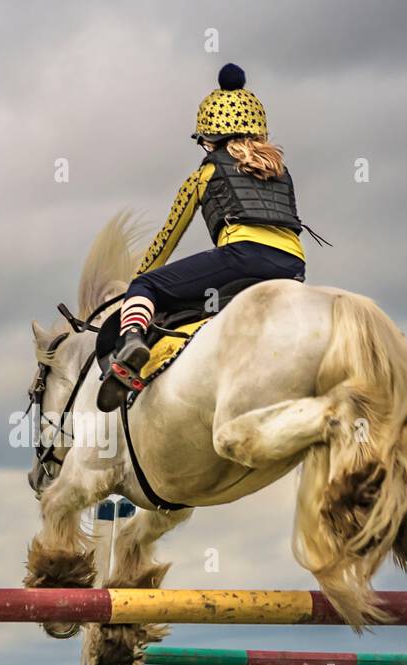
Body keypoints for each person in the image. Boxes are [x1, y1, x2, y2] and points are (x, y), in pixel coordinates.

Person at [97, 63, 323, 412]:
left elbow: (166, 240)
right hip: (293, 266)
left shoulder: (206, 173)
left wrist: (134, 287)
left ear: (209, 138)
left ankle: (130, 349)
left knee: (148, 285)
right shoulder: (281, 172)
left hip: (242, 258)